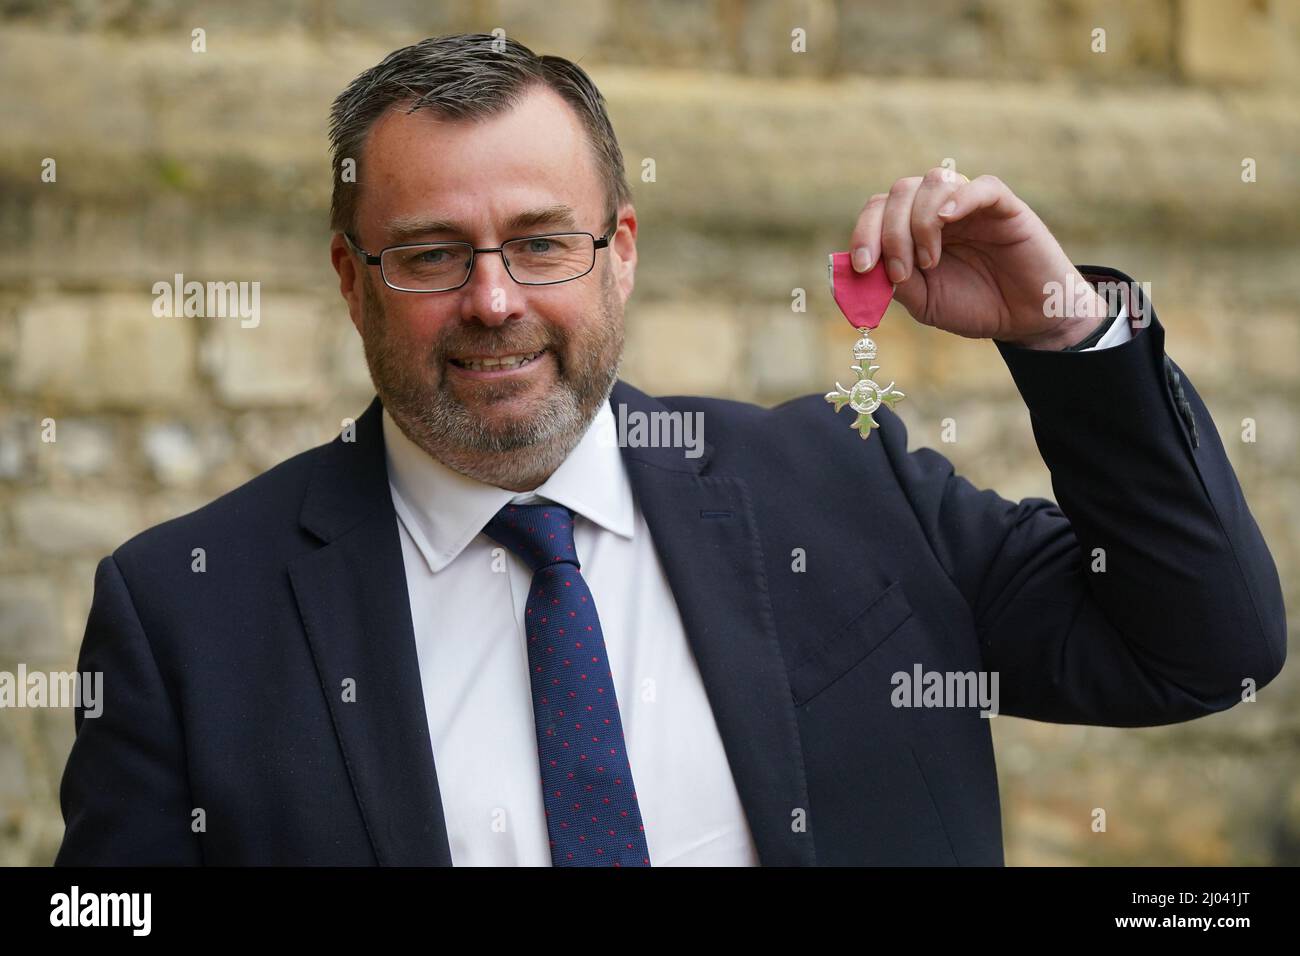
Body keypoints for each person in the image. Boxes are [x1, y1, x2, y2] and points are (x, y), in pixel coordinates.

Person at [55, 34, 1286, 867]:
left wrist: (1067, 329)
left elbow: (1201, 650)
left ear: (623, 250)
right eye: (431, 254)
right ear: (351, 279)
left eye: (544, 243)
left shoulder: (842, 487)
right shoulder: (187, 614)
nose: (494, 300)